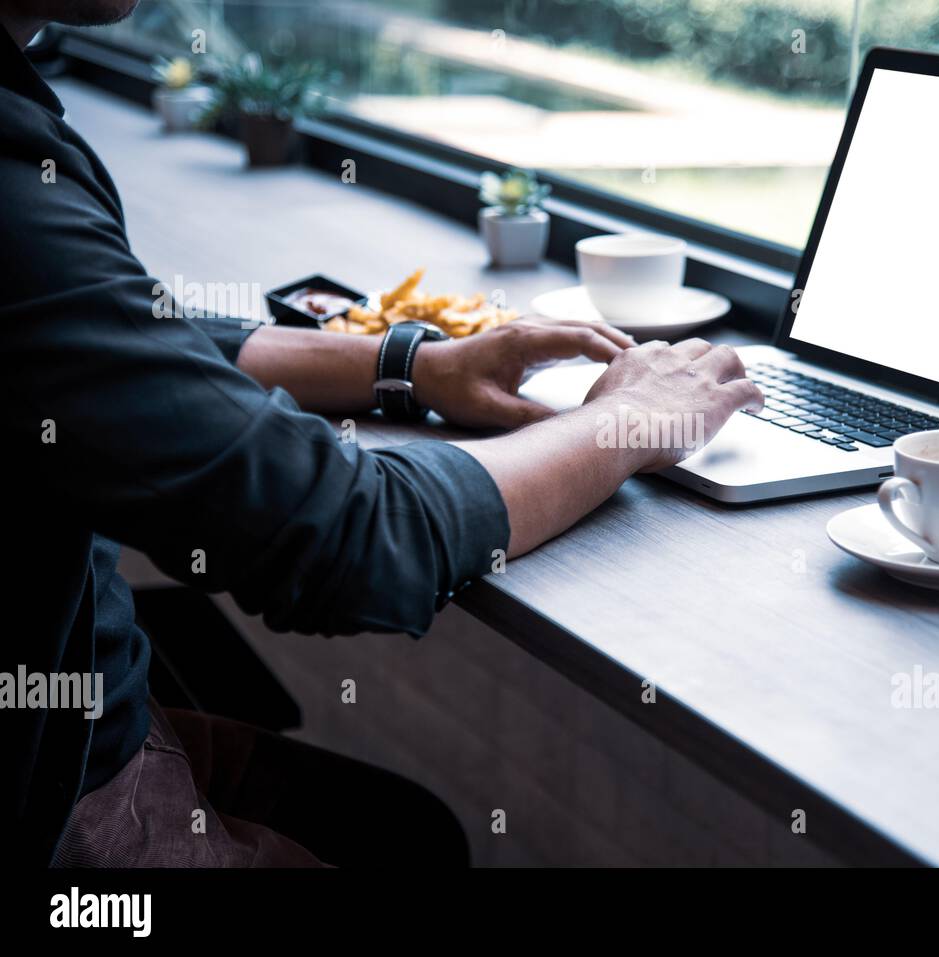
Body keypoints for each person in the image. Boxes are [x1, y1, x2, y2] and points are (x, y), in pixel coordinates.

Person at [0, 0, 763, 866]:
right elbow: (348, 534)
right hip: (64, 808)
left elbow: (114, 336)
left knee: (407, 834)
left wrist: (406, 365)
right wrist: (630, 421)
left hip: (88, 727)